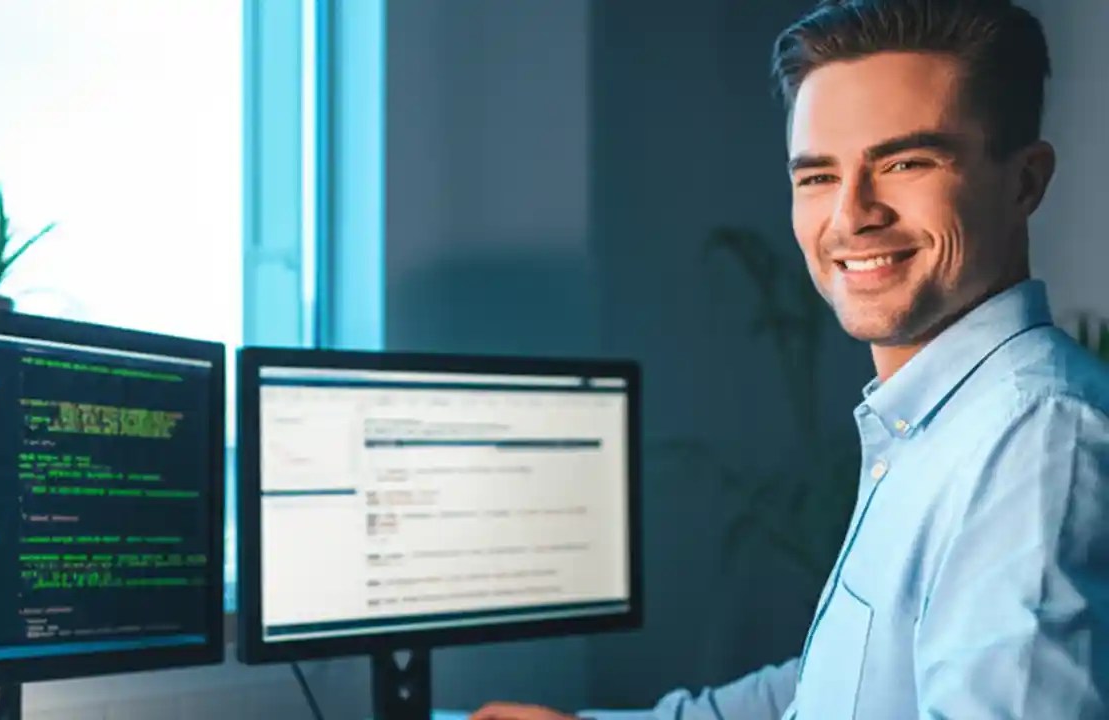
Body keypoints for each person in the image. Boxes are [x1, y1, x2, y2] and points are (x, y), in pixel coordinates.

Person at [471, 0, 1109, 717]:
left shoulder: (1033, 444)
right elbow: (840, 683)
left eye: (905, 161)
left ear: (1024, 181)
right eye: (817, 177)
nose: (852, 215)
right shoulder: (932, 423)